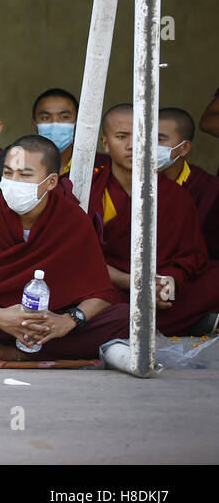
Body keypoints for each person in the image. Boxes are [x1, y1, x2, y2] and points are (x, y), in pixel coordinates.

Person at [0, 135, 129, 361]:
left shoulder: (72, 218)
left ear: (51, 182)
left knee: (123, 317)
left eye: (25, 175)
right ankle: (26, 351)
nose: (14, 182)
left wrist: (68, 321)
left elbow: (101, 291)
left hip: (53, 322)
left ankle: (14, 353)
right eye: (8, 173)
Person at [91, 104, 219, 335]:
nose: (132, 145)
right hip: (109, 282)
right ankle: (177, 323)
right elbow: (76, 257)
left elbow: (191, 256)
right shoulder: (87, 189)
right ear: (106, 143)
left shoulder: (175, 195)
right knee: (92, 297)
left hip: (157, 280)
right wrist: (136, 283)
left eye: (140, 135)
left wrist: (168, 282)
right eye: (122, 137)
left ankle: (124, 324)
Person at [158, 107, 219, 259]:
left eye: (159, 139)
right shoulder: (124, 179)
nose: (148, 145)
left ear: (184, 148)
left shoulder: (208, 189)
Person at [32, 88, 78, 174]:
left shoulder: (97, 166)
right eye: (46, 118)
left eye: (64, 117)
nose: (55, 123)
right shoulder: (22, 166)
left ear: (77, 122)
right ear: (35, 124)